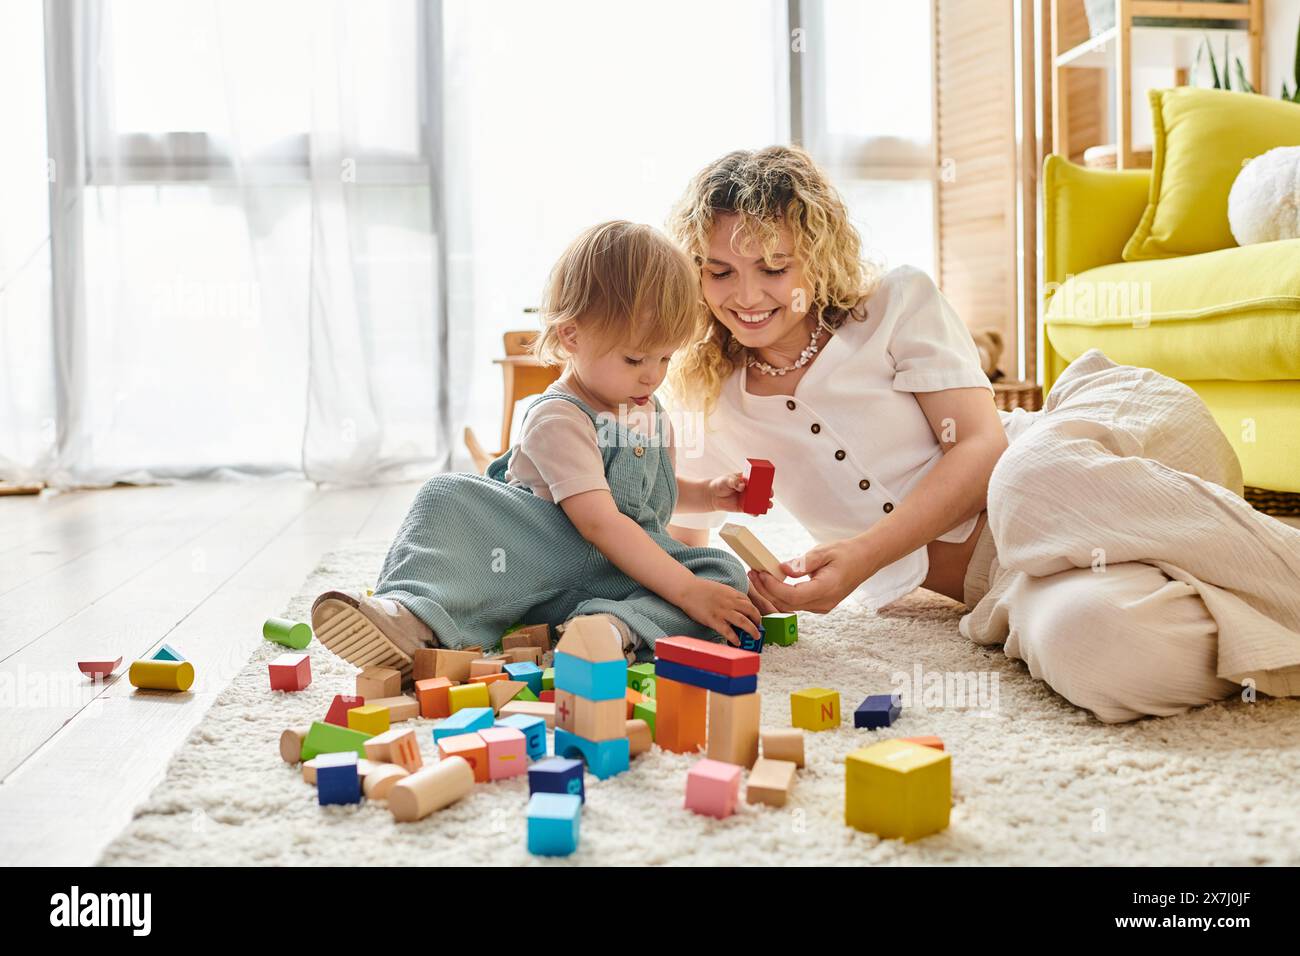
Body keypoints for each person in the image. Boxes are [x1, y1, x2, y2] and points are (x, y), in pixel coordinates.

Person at [665, 146, 1300, 722]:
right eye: (720, 272)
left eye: (774, 267)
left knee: (1024, 485)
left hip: (1100, 451)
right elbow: (678, 535)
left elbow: (980, 445)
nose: (746, 295)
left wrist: (863, 556)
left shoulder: (893, 303)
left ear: (816, 256)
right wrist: (706, 598)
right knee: (1091, 646)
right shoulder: (706, 395)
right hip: (1010, 579)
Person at [311, 221, 764, 678]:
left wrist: (708, 494)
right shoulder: (559, 418)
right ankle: (412, 617)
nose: (653, 376)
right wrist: (685, 591)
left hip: (620, 572)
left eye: (666, 358)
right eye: (634, 359)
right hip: (530, 567)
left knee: (723, 576)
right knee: (443, 496)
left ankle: (608, 630)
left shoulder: (646, 406)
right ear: (571, 337)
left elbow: (648, 496)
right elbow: (599, 521)